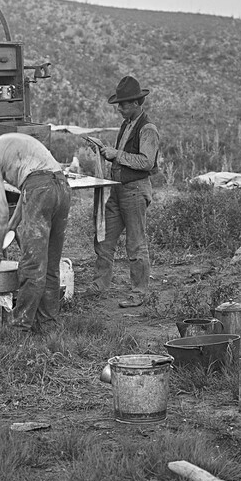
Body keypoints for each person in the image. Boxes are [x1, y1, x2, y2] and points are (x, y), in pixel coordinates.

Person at [0, 131, 72, 334]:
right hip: (62, 187)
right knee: (50, 264)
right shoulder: (3, 144)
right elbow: (29, 188)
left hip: (41, 190)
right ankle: (48, 324)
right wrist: (11, 228)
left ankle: (19, 327)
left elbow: (0, 209)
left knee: (32, 265)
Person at [88, 75, 161, 308]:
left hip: (135, 190)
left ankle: (139, 292)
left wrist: (115, 154)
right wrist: (103, 150)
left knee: (136, 243)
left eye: (123, 104)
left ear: (137, 104)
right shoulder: (127, 124)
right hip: (119, 191)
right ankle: (100, 284)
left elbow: (146, 163)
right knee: (104, 239)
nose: (119, 108)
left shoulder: (147, 129)